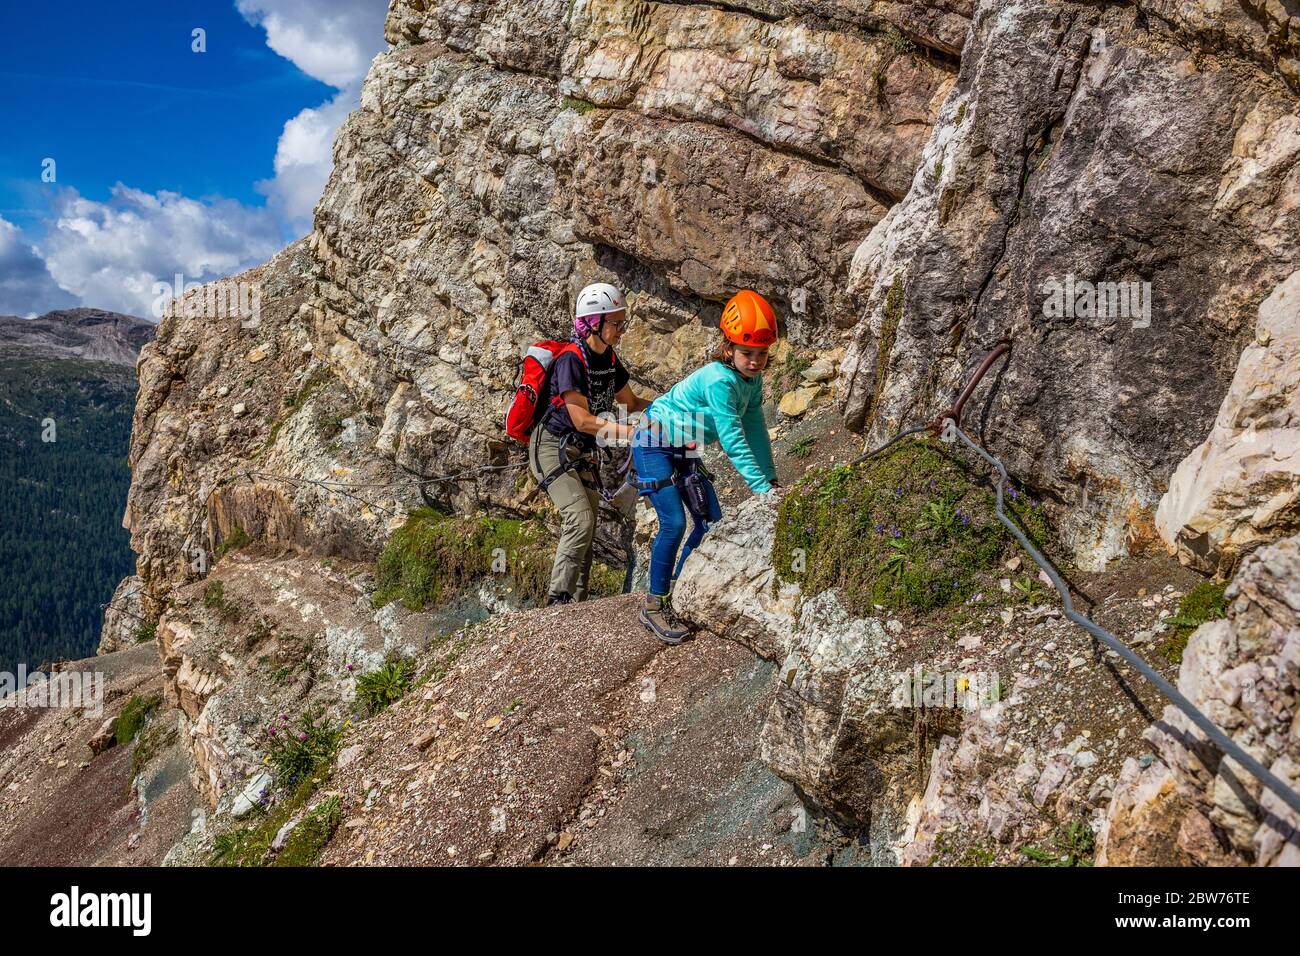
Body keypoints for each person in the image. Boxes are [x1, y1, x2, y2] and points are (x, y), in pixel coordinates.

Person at [632, 289, 781, 644]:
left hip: (683, 449)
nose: (756, 361)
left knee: (710, 522)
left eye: (762, 354)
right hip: (653, 442)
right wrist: (760, 488)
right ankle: (655, 604)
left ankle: (677, 592)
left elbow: (756, 426)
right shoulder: (719, 380)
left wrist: (771, 479)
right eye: (747, 353)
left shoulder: (751, 379)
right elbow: (732, 438)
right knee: (674, 522)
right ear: (728, 348)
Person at [530, 282, 651, 606]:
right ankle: (558, 599)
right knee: (580, 518)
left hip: (581, 452)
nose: (621, 329)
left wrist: (667, 407)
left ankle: (578, 605)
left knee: (590, 525)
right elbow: (582, 420)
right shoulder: (571, 360)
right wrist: (634, 435)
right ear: (593, 323)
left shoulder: (609, 359)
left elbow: (631, 401)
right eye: (616, 323)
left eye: (622, 322)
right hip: (551, 448)